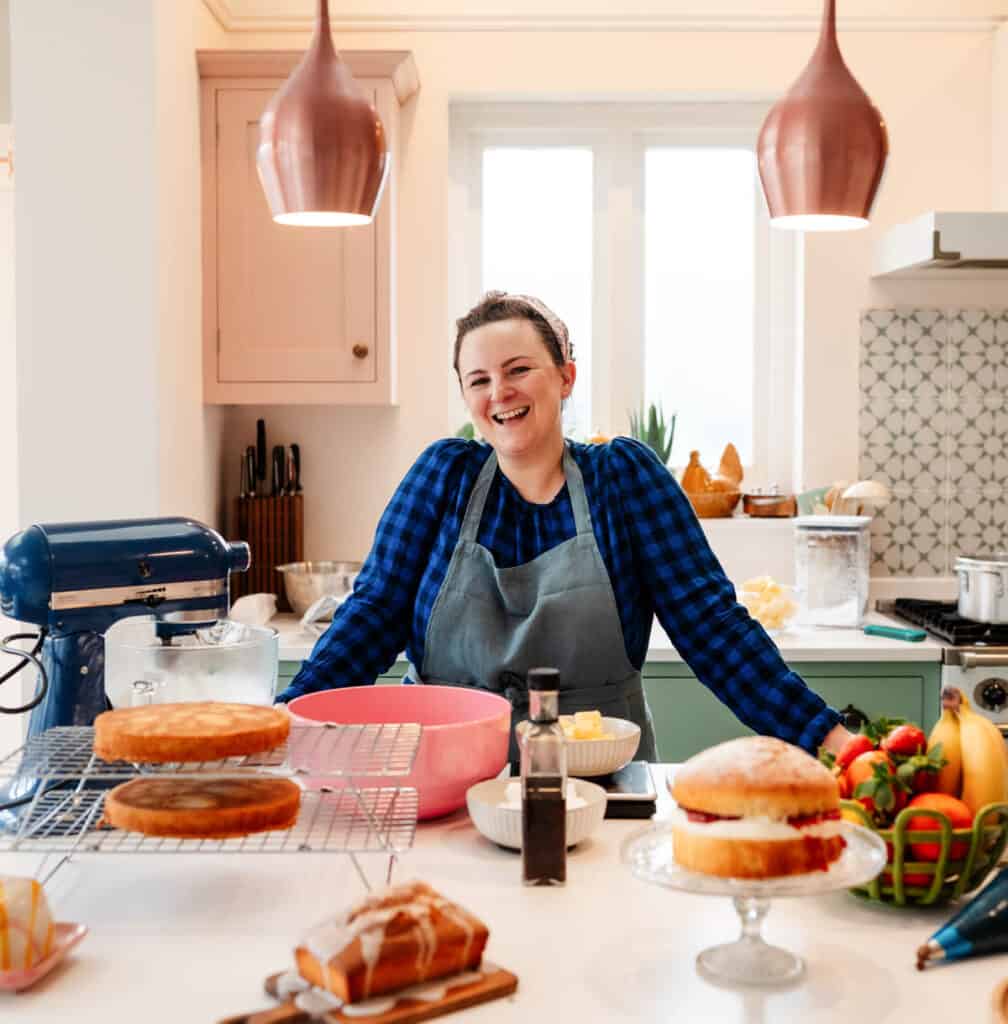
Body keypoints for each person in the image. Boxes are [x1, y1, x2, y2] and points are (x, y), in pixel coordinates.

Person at [277, 290, 854, 763]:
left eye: (518, 369)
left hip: (599, 781)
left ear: (565, 376)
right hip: (447, 773)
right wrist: (282, 721)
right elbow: (373, 616)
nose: (498, 392)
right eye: (478, 380)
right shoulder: (442, 477)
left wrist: (830, 738)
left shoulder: (625, 481)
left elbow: (713, 629)